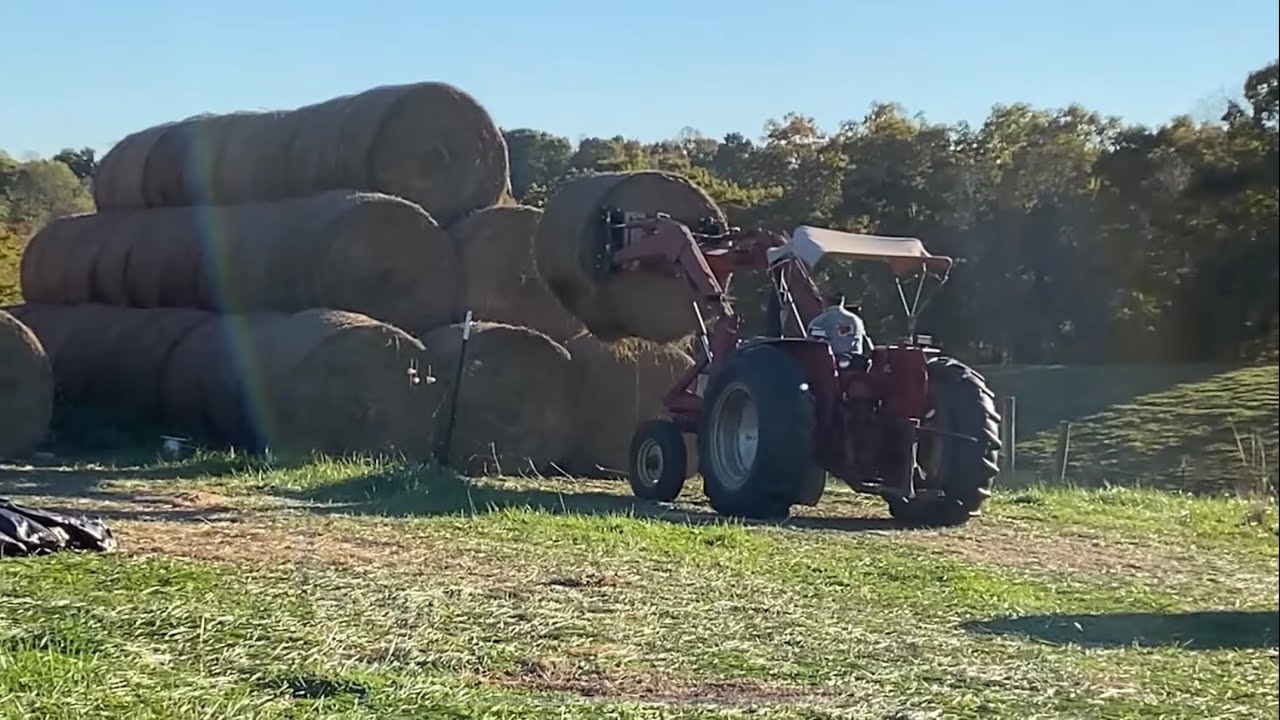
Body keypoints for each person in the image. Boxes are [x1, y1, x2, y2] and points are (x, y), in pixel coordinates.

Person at [807, 291, 873, 357]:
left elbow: (812, 346)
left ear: (825, 302)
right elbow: (868, 346)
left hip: (831, 363)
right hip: (856, 362)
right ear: (842, 301)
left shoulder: (818, 322)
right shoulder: (856, 320)